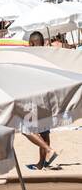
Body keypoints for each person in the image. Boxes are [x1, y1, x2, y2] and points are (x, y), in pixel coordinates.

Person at [26, 32, 59, 169]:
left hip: (35, 98)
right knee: (44, 131)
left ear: (32, 43)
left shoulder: (30, 57)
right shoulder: (47, 56)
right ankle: (41, 163)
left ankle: (49, 150)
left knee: (24, 128)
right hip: (48, 98)